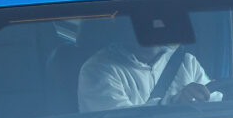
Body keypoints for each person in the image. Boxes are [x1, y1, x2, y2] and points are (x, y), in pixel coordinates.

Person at [78, 39, 209, 111]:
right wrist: (175, 103)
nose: (151, 30)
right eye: (143, 23)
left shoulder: (186, 61)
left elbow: (213, 101)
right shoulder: (98, 69)